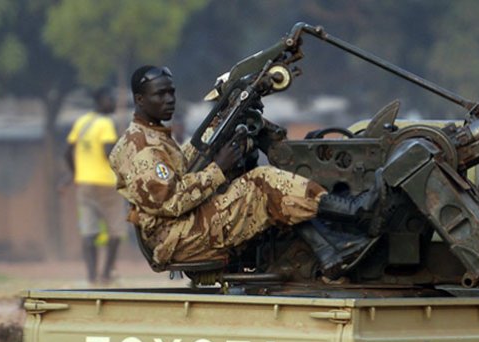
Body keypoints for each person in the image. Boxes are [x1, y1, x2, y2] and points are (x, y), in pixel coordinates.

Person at [108, 65, 374, 276]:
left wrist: (223, 125)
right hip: (176, 238)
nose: (169, 100)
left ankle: (329, 250)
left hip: (183, 227)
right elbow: (171, 201)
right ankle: (352, 211)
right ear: (139, 99)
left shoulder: (154, 136)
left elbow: (188, 163)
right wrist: (218, 169)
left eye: (171, 92)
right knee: (261, 184)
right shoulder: (140, 148)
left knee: (236, 157)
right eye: (160, 94)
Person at [66, 87, 125, 283]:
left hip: (84, 184)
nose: (112, 103)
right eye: (110, 99)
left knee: (89, 231)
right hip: (107, 184)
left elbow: (68, 152)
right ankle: (106, 274)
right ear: (100, 101)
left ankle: (91, 276)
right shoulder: (106, 123)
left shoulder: (82, 122)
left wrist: (75, 173)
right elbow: (108, 152)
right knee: (116, 230)